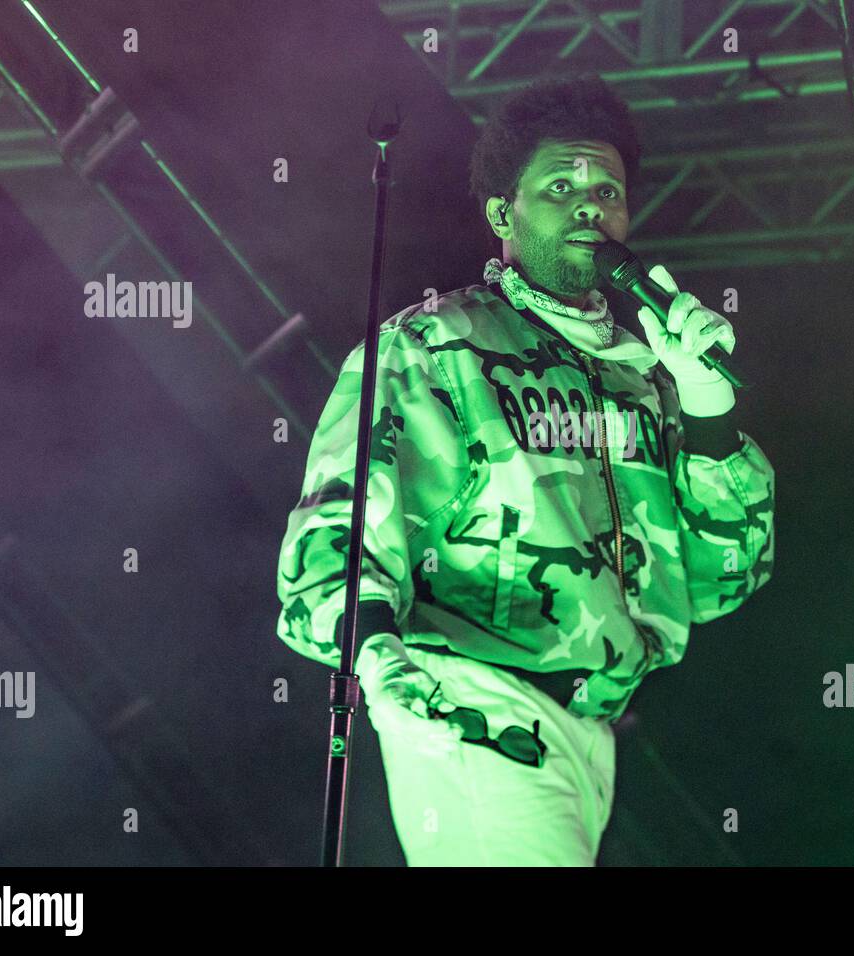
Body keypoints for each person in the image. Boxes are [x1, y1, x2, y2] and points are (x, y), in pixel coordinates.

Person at [275, 74, 775, 865]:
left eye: (607, 189)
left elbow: (721, 580)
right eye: (560, 185)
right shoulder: (436, 344)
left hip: (591, 729)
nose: (589, 203)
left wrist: (710, 407)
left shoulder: (649, 370)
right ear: (504, 215)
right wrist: (374, 658)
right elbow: (340, 522)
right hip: (476, 710)